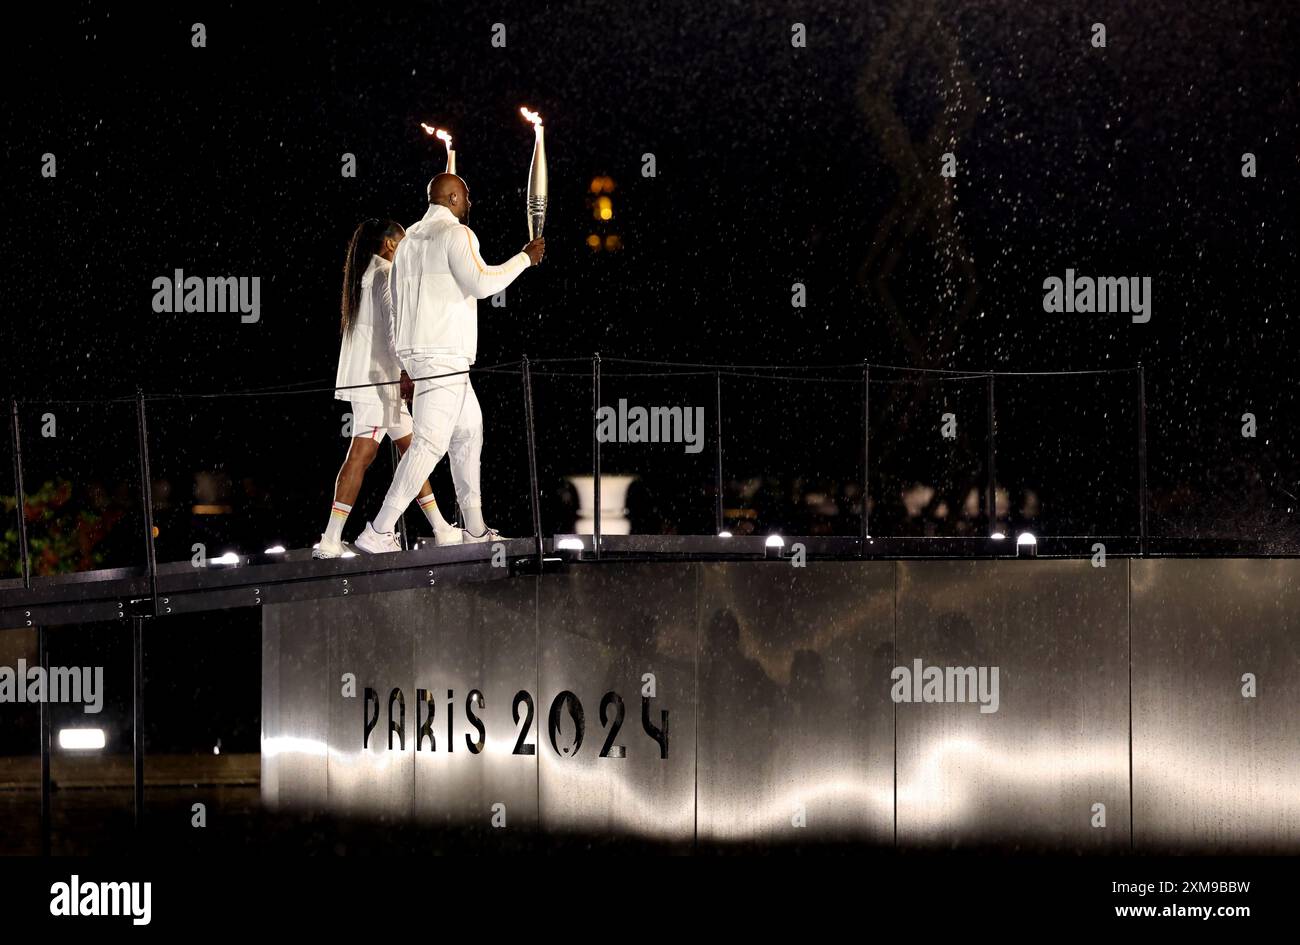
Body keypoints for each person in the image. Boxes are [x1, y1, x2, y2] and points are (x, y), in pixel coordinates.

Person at [356, 174, 544, 552]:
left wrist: (404, 363)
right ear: (454, 197)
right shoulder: (457, 234)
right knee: (429, 444)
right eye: (468, 196)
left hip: (424, 357)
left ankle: (474, 529)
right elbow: (480, 283)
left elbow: (396, 306)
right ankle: (377, 530)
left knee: (469, 431)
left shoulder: (407, 241)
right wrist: (525, 258)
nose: (470, 203)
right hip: (444, 358)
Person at [316, 218, 460, 558]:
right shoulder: (384, 275)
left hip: (381, 383)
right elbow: (396, 333)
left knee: (414, 453)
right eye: (404, 240)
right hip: (379, 384)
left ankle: (439, 526)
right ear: (391, 245)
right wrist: (410, 371)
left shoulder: (366, 275)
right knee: (362, 454)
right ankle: (330, 539)